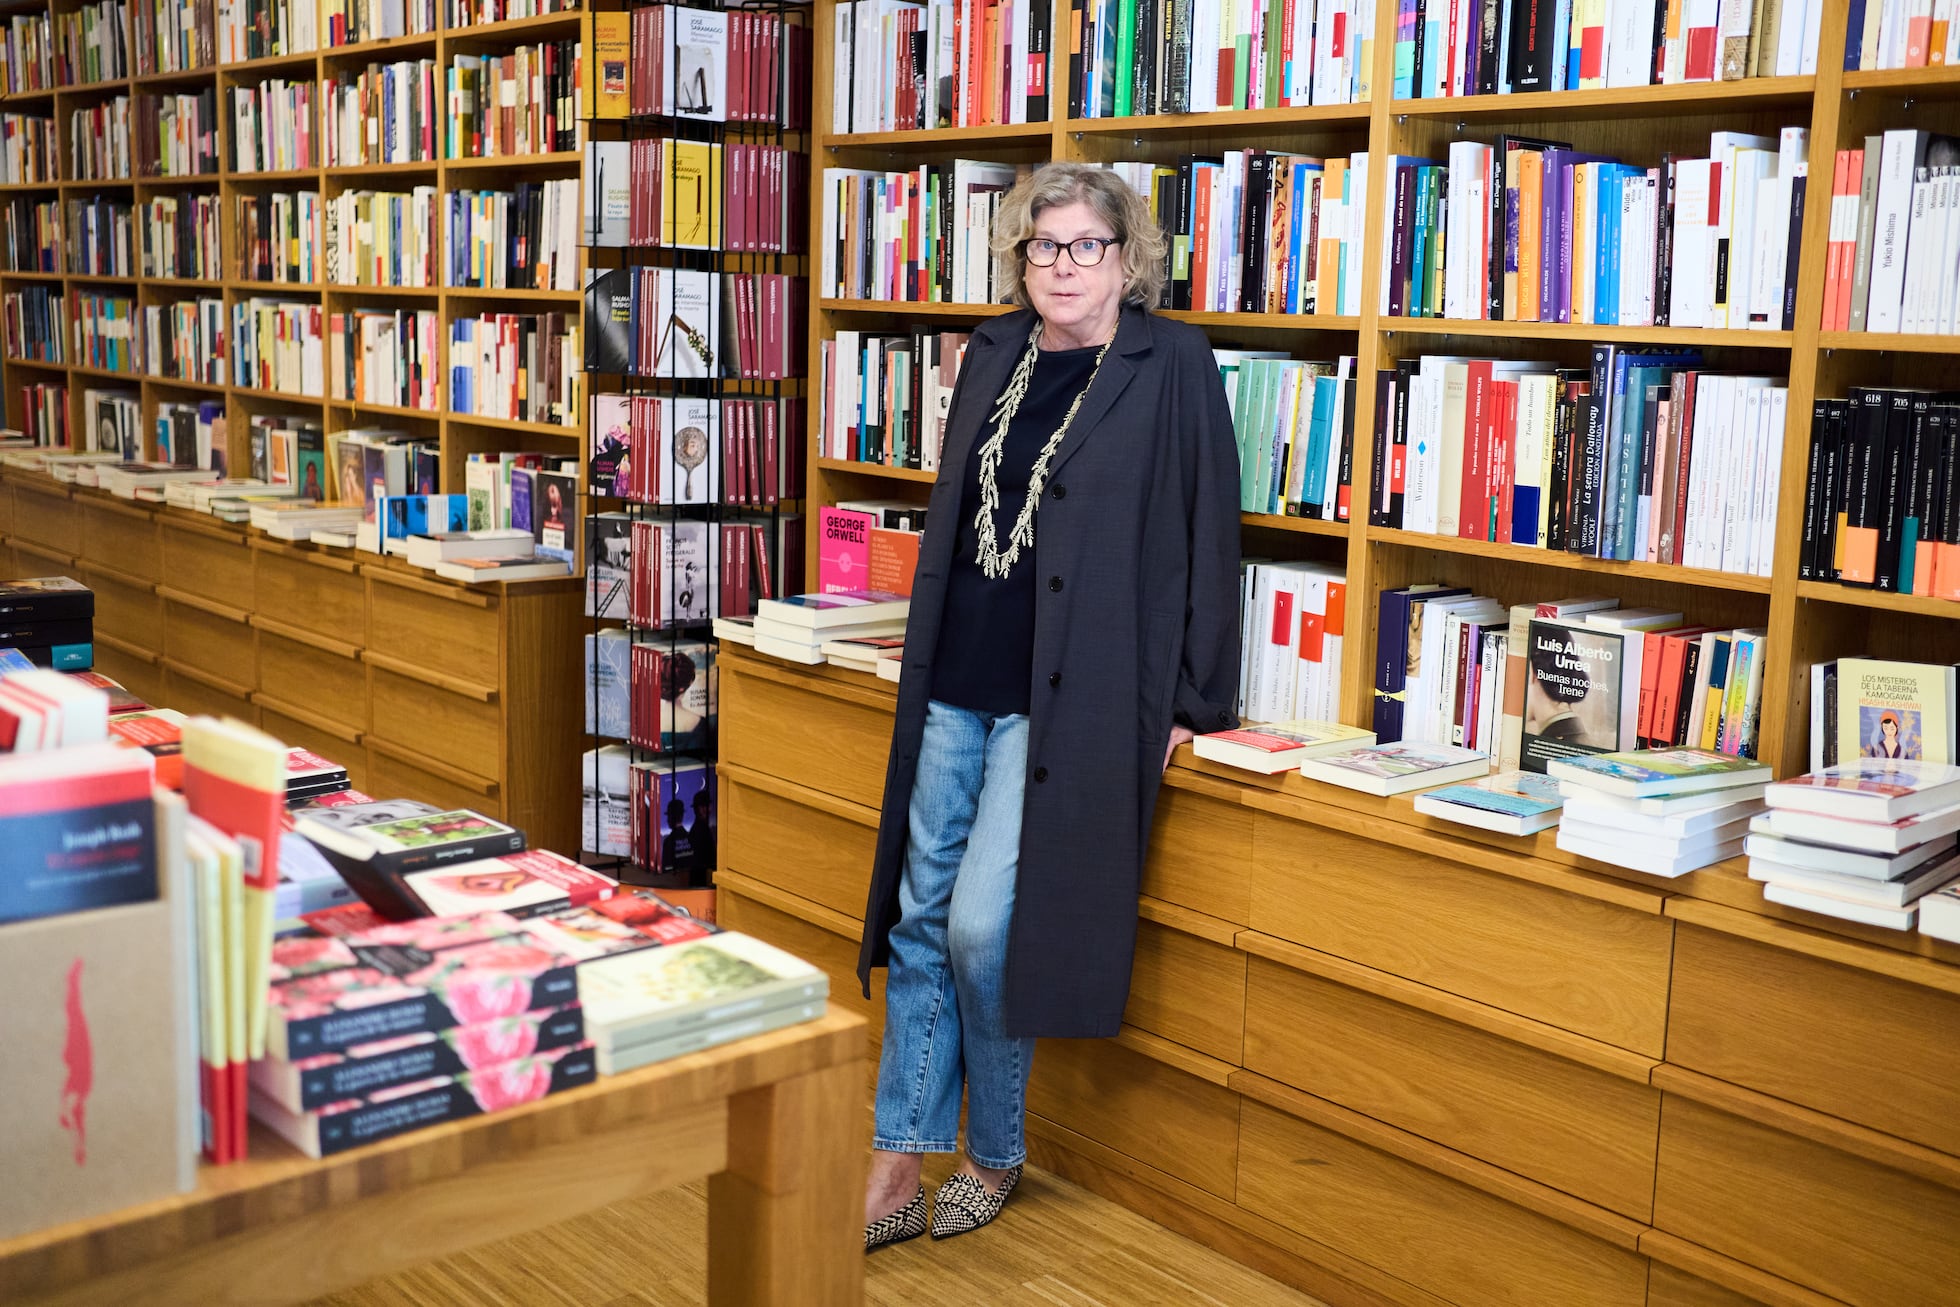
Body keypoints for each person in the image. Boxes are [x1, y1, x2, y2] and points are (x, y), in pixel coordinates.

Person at [857, 163, 1243, 1251]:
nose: (1061, 265)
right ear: (1019, 257)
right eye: (1042, 246)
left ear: (1128, 260)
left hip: (1068, 696)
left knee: (983, 927)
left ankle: (994, 1145)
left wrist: (1191, 702)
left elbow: (1212, 530)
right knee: (917, 918)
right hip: (954, 678)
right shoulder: (990, 351)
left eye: (1084, 246)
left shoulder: (1171, 364)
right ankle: (897, 1158)